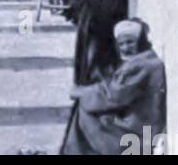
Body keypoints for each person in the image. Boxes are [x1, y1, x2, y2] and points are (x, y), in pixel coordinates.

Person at [62, 19, 166, 156]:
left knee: (84, 111)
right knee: (87, 106)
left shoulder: (141, 65)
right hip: (140, 124)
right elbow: (113, 87)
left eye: (130, 42)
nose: (125, 48)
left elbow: (114, 96)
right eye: (121, 44)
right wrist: (85, 91)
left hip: (137, 132)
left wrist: (81, 93)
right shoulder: (144, 60)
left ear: (140, 42)